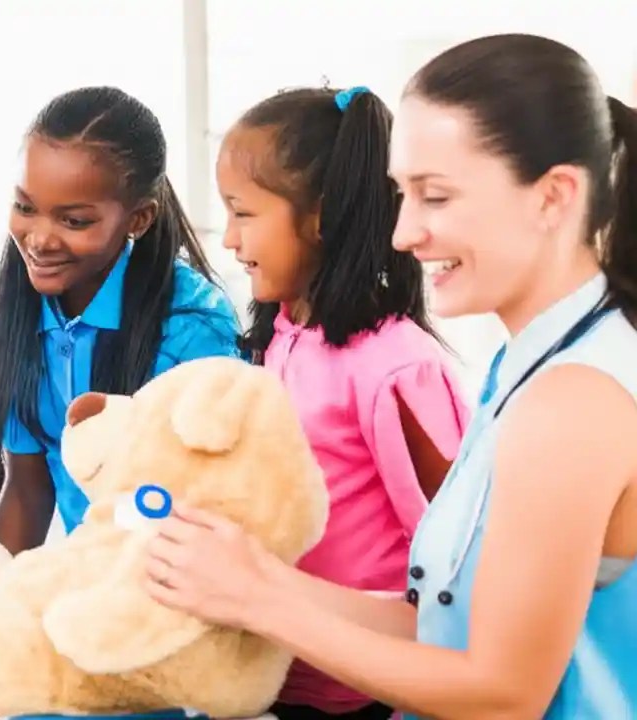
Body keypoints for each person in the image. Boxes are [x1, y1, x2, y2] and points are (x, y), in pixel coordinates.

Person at [145, 34, 637, 720]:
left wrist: (262, 600)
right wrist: (253, 580)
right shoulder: (530, 372)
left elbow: (504, 694)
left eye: (435, 197)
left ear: (554, 197)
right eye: (403, 196)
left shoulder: (575, 400)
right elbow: (441, 628)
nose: (403, 234)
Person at [215, 86, 470, 720]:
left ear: (321, 216)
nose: (226, 238)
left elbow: (458, 561)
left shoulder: (398, 367)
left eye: (242, 213)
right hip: (277, 676)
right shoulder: (280, 337)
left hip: (362, 694)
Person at [0, 86, 243, 555]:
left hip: (173, 580)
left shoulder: (193, 330)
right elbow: (28, 489)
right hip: (82, 584)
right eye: (25, 207)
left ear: (138, 219)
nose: (39, 239)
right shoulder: (17, 320)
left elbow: (208, 511)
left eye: (74, 221)